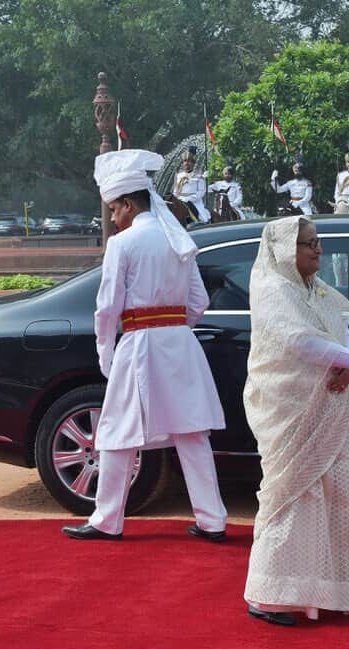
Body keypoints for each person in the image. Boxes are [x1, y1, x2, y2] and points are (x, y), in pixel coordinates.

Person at [243, 215, 349, 626]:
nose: (318, 249)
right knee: (294, 493)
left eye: (317, 241)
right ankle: (272, 595)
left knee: (347, 489)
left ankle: (347, 590)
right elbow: (299, 341)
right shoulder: (273, 288)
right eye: (308, 244)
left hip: (332, 403)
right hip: (290, 406)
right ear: (283, 251)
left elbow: (339, 329)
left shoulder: (315, 288)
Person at [62, 149, 228, 542]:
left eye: (114, 210)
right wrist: (173, 326)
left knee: (118, 432)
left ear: (127, 204)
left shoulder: (124, 244)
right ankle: (212, 520)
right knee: (192, 433)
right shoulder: (177, 238)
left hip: (139, 345)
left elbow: (107, 308)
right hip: (180, 345)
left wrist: (106, 351)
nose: (113, 218)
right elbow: (199, 303)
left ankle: (106, 520)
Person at [173, 147, 210, 224]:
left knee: (203, 218)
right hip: (180, 201)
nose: (186, 163)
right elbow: (176, 191)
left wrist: (189, 199)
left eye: (189, 161)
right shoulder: (179, 176)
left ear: (193, 163)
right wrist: (176, 199)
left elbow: (201, 193)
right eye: (185, 161)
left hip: (194, 202)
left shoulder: (199, 177)